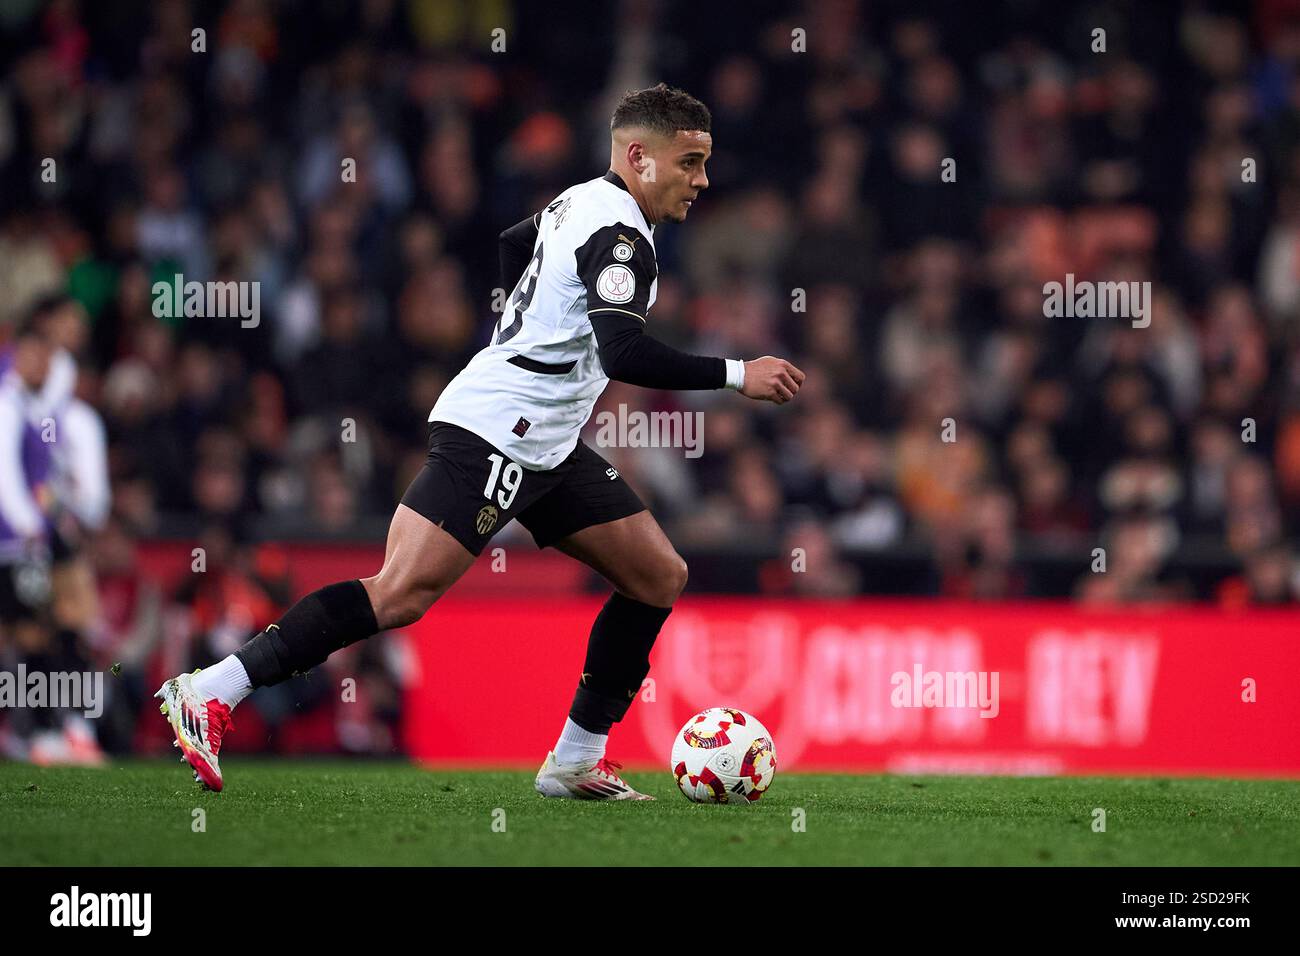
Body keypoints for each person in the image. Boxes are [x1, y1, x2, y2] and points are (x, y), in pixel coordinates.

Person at [156, 83, 805, 796]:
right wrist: (740, 373)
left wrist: (518, 342)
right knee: (399, 593)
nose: (702, 181)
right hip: (496, 431)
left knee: (657, 575)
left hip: (547, 441)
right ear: (641, 156)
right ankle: (214, 688)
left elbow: (514, 245)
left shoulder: (579, 200)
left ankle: (575, 759)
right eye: (690, 163)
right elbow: (623, 354)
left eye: (705, 164)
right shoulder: (619, 237)